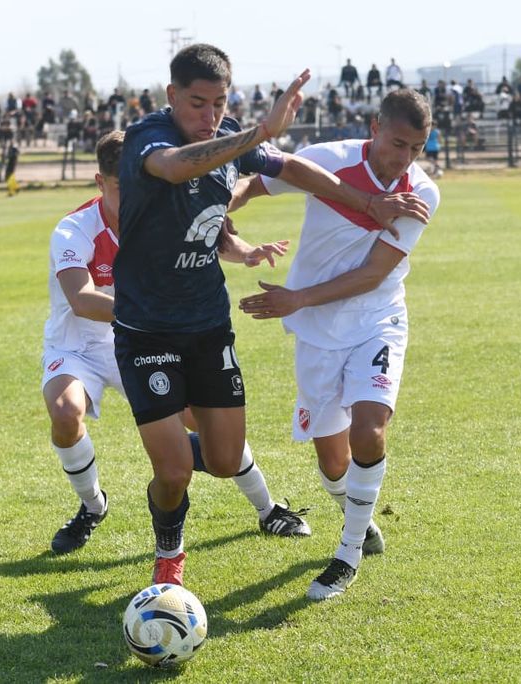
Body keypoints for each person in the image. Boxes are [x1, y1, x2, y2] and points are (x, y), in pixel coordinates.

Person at [114, 44, 430, 588]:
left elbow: (290, 168)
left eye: (219, 104)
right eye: (197, 103)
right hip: (146, 327)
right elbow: (175, 168)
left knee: (226, 457)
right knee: (174, 470)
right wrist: (259, 133)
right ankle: (169, 557)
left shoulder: (230, 135)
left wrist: (365, 204)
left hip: (208, 323)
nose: (210, 116)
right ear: (172, 95)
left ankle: (177, 446)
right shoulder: (150, 137)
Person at [42, 130, 309, 555]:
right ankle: (92, 507)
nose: (134, 197)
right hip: (79, 345)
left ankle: (268, 508)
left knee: (205, 423)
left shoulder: (160, 213)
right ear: (100, 182)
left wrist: (245, 252)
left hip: (144, 338)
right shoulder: (74, 230)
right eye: (121, 188)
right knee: (64, 411)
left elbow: (214, 237)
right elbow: (81, 299)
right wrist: (153, 308)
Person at [236, 89, 440, 601]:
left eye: (416, 148)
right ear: (375, 128)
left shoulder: (421, 192)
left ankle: (347, 554)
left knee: (369, 432)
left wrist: (296, 298)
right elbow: (254, 184)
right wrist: (216, 210)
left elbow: (373, 274)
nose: (405, 158)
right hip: (317, 331)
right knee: (333, 463)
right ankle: (360, 520)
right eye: (398, 144)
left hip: (377, 319)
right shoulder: (327, 160)